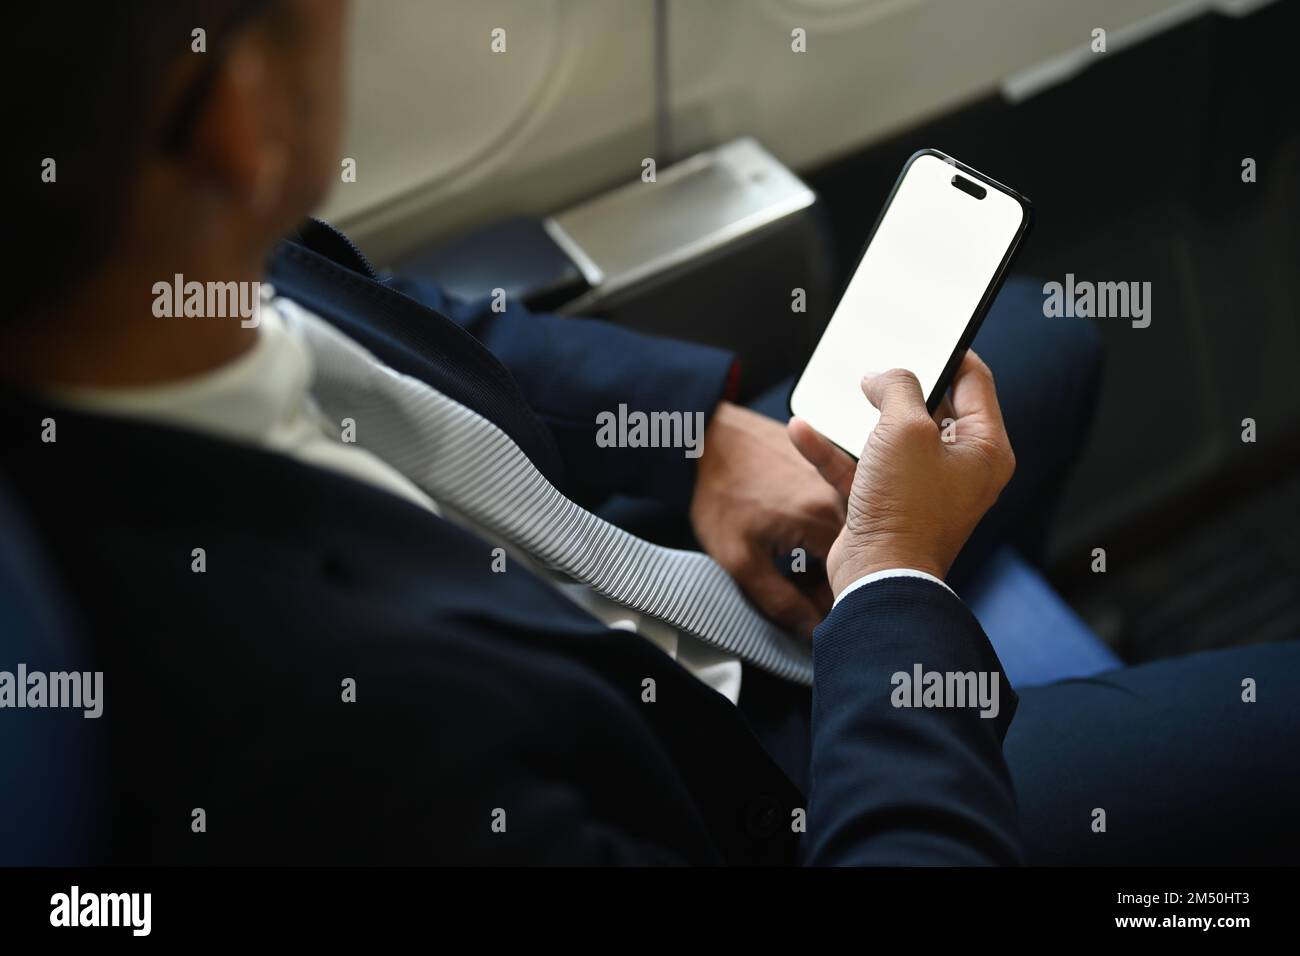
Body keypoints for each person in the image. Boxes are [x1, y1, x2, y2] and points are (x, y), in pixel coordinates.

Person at [4, 0, 1295, 865]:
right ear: (239, 113)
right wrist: (898, 583)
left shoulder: (176, 270)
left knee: (1040, 332)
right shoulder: (319, 740)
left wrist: (700, 436)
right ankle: (969, 689)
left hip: (625, 571)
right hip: (771, 804)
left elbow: (419, 325)